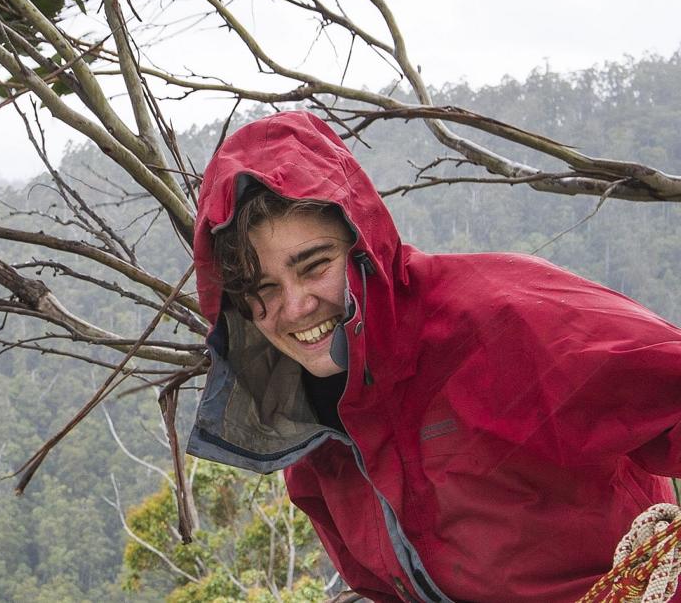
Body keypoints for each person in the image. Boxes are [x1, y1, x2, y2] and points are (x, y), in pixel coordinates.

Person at [185, 111, 681, 602]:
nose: (295, 307)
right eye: (263, 288)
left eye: (315, 265)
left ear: (362, 245)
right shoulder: (314, 436)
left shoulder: (504, 319)